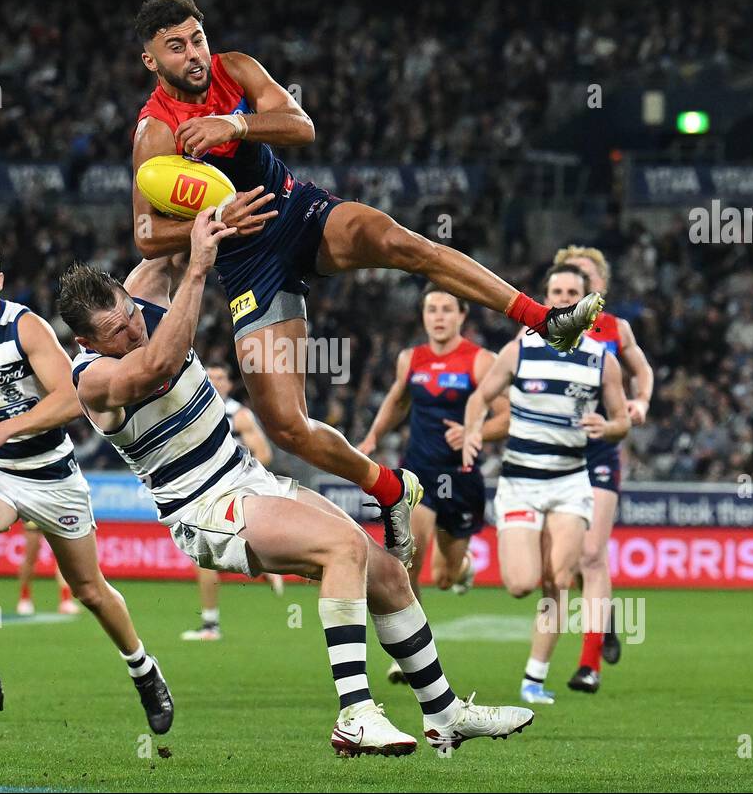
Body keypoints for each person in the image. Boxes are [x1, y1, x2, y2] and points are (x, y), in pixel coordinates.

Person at [128, 0, 604, 566]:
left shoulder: (237, 69)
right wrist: (214, 223)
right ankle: (390, 490)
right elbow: (146, 235)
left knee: (404, 243)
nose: (194, 54)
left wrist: (235, 123)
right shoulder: (156, 133)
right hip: (246, 262)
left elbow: (301, 126)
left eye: (197, 38)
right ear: (151, 60)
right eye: (175, 47)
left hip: (296, 212)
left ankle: (544, 320)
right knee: (287, 427)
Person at [60, 209, 534, 755]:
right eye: (116, 332)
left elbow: (163, 224)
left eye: (128, 314)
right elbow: (157, 367)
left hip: (248, 480)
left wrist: (216, 201)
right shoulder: (93, 378)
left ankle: (445, 713)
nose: (133, 328)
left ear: (124, 292)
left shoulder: (142, 291)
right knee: (340, 549)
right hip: (206, 509)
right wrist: (197, 268)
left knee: (383, 570)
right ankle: (355, 714)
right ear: (87, 341)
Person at [0, 234, 173, 731]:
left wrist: (4, 428)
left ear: (0, 280)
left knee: (90, 590)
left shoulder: (24, 327)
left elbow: (75, 398)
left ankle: (143, 669)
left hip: (52, 476)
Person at [462, 264, 630, 704]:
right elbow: (480, 396)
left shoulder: (601, 359)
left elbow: (623, 420)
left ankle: (534, 679)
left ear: (584, 301)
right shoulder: (519, 350)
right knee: (521, 583)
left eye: (571, 291)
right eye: (555, 290)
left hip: (571, 482)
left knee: (559, 578)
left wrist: (608, 428)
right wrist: (472, 432)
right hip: (520, 483)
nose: (561, 298)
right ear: (545, 296)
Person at [359, 287, 508, 683]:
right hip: (418, 475)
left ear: (462, 316)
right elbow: (397, 402)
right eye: (431, 310)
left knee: (445, 576)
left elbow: (508, 416)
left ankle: (463, 568)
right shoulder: (411, 359)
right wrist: (373, 438)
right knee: (404, 563)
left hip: (461, 478)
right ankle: (410, 654)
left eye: (446, 310)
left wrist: (476, 430)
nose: (438, 317)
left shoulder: (481, 361)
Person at [556, 246, 654, 687]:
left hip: (599, 450)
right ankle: (604, 614)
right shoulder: (544, 327)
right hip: (550, 453)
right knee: (566, 561)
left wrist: (640, 402)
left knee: (592, 553)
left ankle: (588, 664)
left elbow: (642, 369)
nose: (580, 285)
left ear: (600, 284)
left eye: (588, 277)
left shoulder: (614, 329)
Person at [180, 363, 281, 641]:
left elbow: (264, 453)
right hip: (205, 494)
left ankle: (211, 625)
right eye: (209, 376)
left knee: (204, 554)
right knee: (206, 554)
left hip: (234, 492)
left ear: (228, 384)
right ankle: (264, 565)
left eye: (220, 377)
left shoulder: (239, 415)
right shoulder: (190, 411)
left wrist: (232, 477)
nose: (215, 381)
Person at [16, 521, 82, 616]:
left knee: (62, 557)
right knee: (30, 557)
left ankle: (66, 600)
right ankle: (24, 598)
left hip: (55, 514)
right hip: (34, 514)